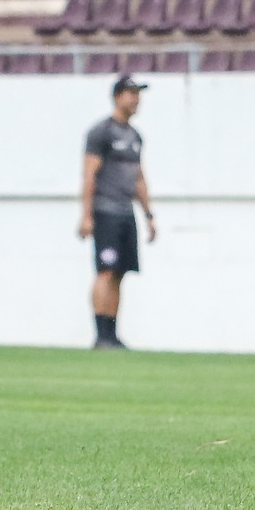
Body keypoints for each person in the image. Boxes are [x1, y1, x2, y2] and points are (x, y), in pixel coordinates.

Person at [78, 75, 157, 349]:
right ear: (117, 96)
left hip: (126, 212)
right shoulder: (101, 132)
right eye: (131, 93)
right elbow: (89, 175)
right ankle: (100, 334)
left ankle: (112, 333)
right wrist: (86, 215)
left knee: (120, 272)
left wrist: (148, 215)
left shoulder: (135, 137)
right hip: (106, 211)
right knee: (106, 271)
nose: (136, 99)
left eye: (138, 94)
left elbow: (139, 178)